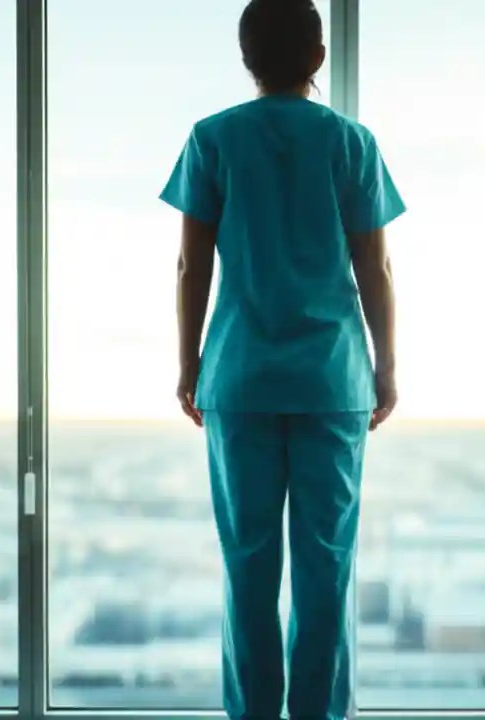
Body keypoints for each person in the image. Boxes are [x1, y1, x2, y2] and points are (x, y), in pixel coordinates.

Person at [159, 1, 404, 717]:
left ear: (247, 59)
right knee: (325, 571)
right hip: (333, 381)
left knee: (249, 567)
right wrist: (386, 367)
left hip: (240, 378)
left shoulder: (212, 140)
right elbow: (376, 271)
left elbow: (189, 267)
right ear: (318, 58)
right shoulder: (351, 144)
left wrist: (188, 365)